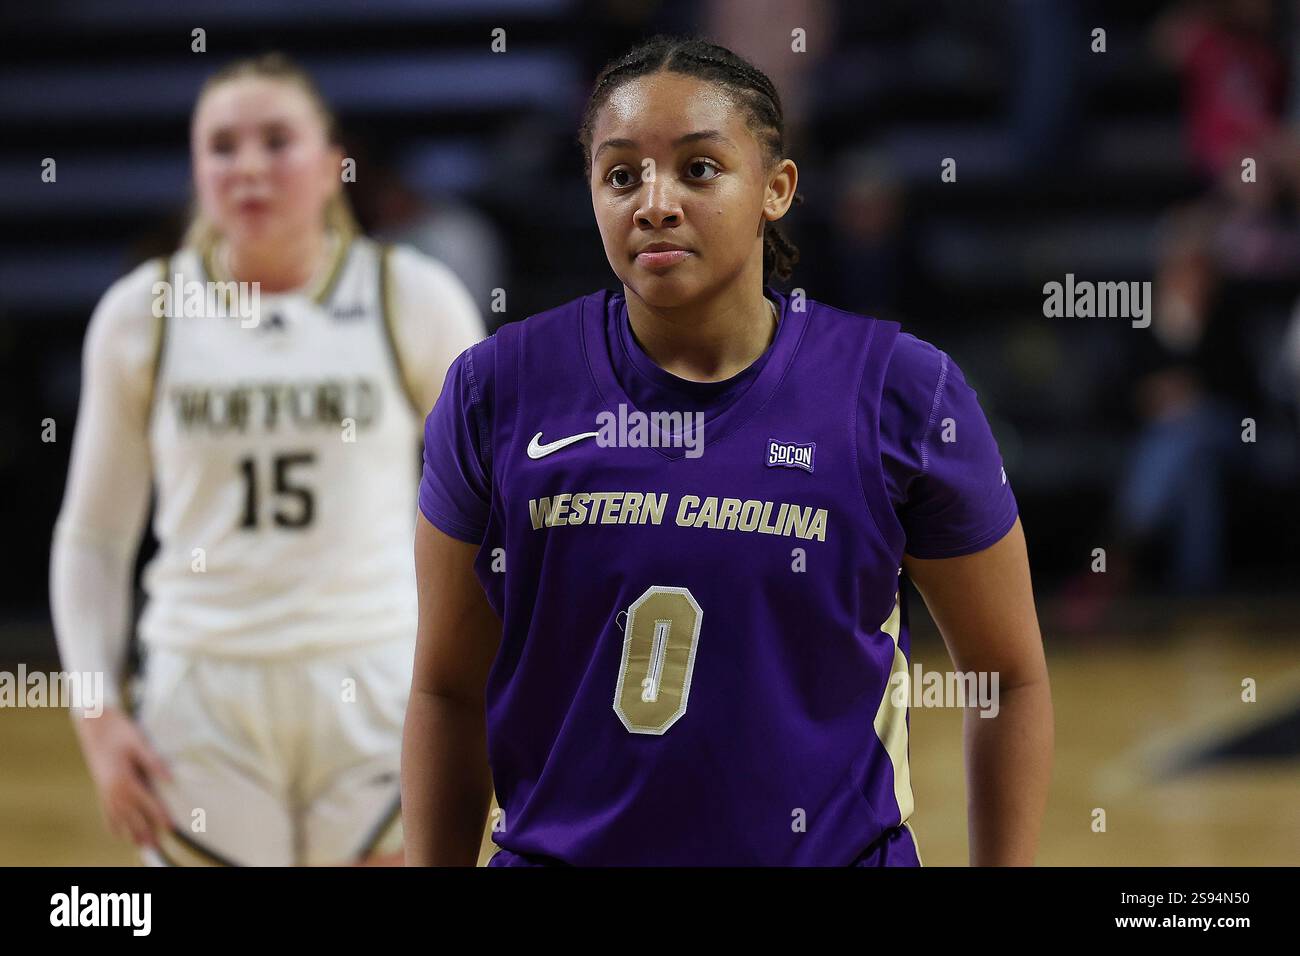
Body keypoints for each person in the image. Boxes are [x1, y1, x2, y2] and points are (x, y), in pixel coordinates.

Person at [403, 35, 1051, 866]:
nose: (655, 203)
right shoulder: (497, 389)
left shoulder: (901, 392)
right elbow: (446, 690)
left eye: (699, 169)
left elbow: (1006, 677)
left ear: (777, 188)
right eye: (621, 175)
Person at [50, 52, 484, 866]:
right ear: (195, 168)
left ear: (330, 166)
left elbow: (496, 511)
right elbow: (95, 540)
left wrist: (484, 685)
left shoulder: (414, 298)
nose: (247, 165)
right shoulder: (141, 314)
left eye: (276, 140)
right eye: (221, 146)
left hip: (378, 673)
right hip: (202, 686)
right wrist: (97, 714)